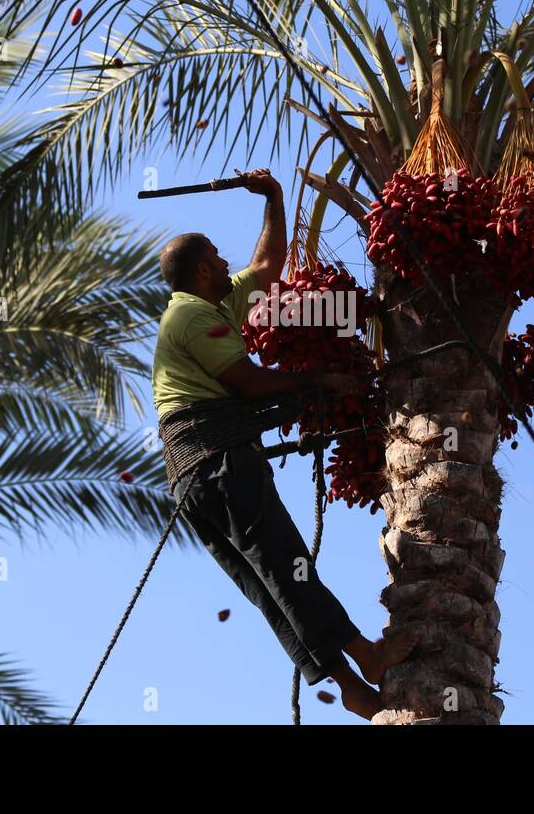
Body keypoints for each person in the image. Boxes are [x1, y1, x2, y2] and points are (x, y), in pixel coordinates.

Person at [150, 168, 418, 720]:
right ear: (203, 270)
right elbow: (246, 383)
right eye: (220, 258)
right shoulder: (193, 315)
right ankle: (367, 654)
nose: (229, 264)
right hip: (219, 467)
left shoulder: (216, 306)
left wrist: (273, 198)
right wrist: (315, 380)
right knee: (288, 566)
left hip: (194, 482)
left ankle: (348, 686)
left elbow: (269, 268)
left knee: (269, 587)